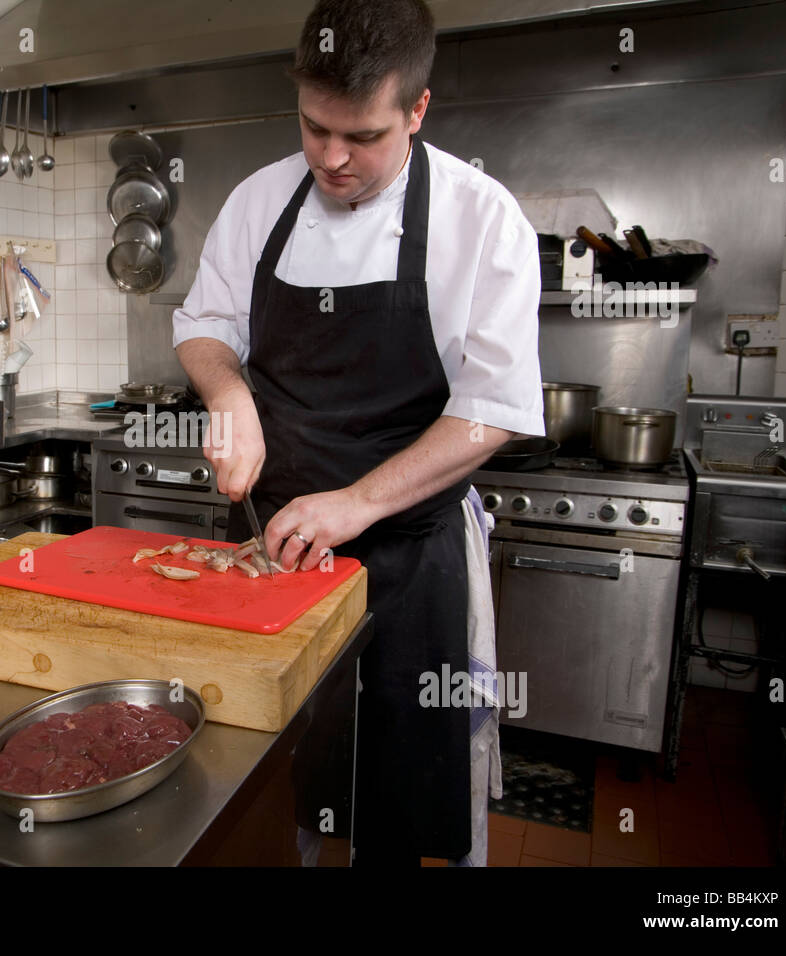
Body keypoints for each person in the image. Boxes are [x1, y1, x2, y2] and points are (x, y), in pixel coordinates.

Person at [172, 0, 544, 865]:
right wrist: (228, 394)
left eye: (364, 137)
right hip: (271, 555)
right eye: (314, 128)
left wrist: (358, 502)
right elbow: (204, 325)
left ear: (417, 110)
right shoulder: (259, 199)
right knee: (265, 778)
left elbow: (494, 405)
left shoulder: (480, 220)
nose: (333, 159)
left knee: (399, 797)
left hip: (409, 559)